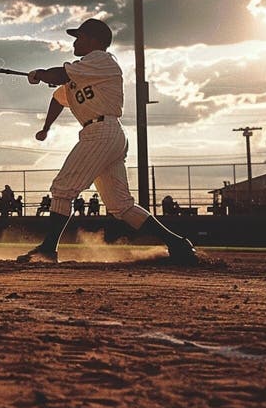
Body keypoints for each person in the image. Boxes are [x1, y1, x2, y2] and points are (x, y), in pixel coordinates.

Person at [18, 19, 197, 264]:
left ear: (94, 41)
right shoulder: (81, 73)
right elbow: (59, 98)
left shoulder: (102, 60)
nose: (76, 41)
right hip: (106, 134)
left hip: (101, 131)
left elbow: (60, 74)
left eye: (80, 37)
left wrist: (40, 74)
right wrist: (46, 128)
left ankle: (49, 248)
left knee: (62, 189)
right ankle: (177, 243)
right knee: (122, 206)